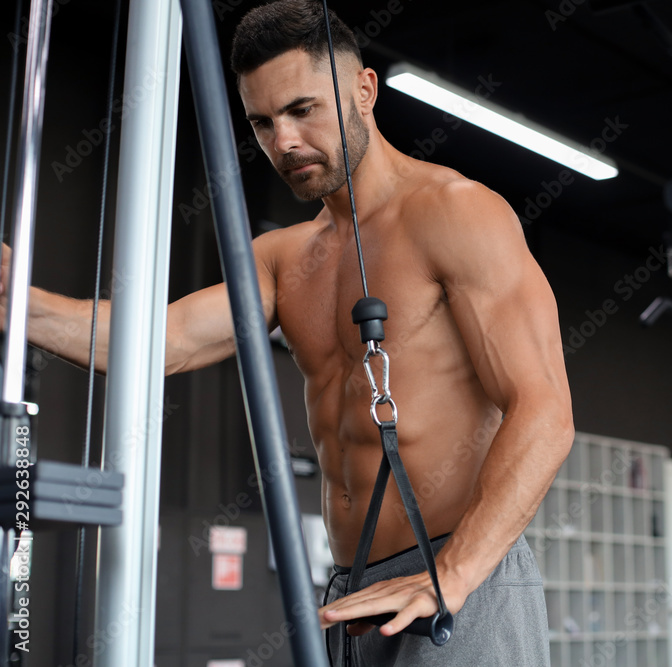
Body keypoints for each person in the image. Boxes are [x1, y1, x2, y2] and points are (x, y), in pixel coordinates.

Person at [2, 0, 574, 664]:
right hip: (350, 587)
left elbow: (546, 408)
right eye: (263, 123)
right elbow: (159, 342)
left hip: (460, 575)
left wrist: (456, 572)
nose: (285, 142)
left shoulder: (457, 213)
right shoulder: (283, 258)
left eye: (303, 110)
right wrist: (23, 306)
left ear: (365, 90)